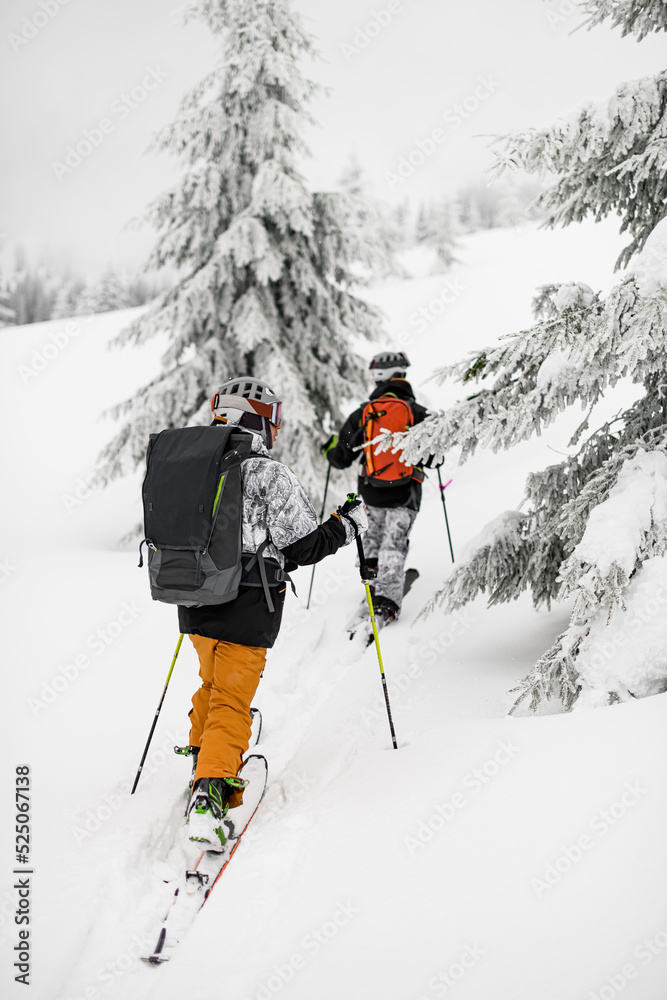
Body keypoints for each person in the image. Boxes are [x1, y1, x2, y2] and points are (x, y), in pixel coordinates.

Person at [179, 375, 367, 847]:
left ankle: (203, 757)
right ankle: (211, 794)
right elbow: (303, 546)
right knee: (231, 701)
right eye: (274, 418)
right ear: (256, 419)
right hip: (247, 607)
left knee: (211, 683)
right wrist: (347, 526)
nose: (277, 428)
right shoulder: (268, 474)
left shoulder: (193, 466)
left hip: (194, 601)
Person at [321, 351, 428, 629]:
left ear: (379, 377)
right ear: (401, 375)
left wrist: (329, 447)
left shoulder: (363, 414)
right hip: (407, 493)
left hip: (371, 491)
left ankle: (371, 585)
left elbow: (340, 458)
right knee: (393, 544)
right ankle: (387, 602)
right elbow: (434, 455)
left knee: (372, 539)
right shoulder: (417, 413)